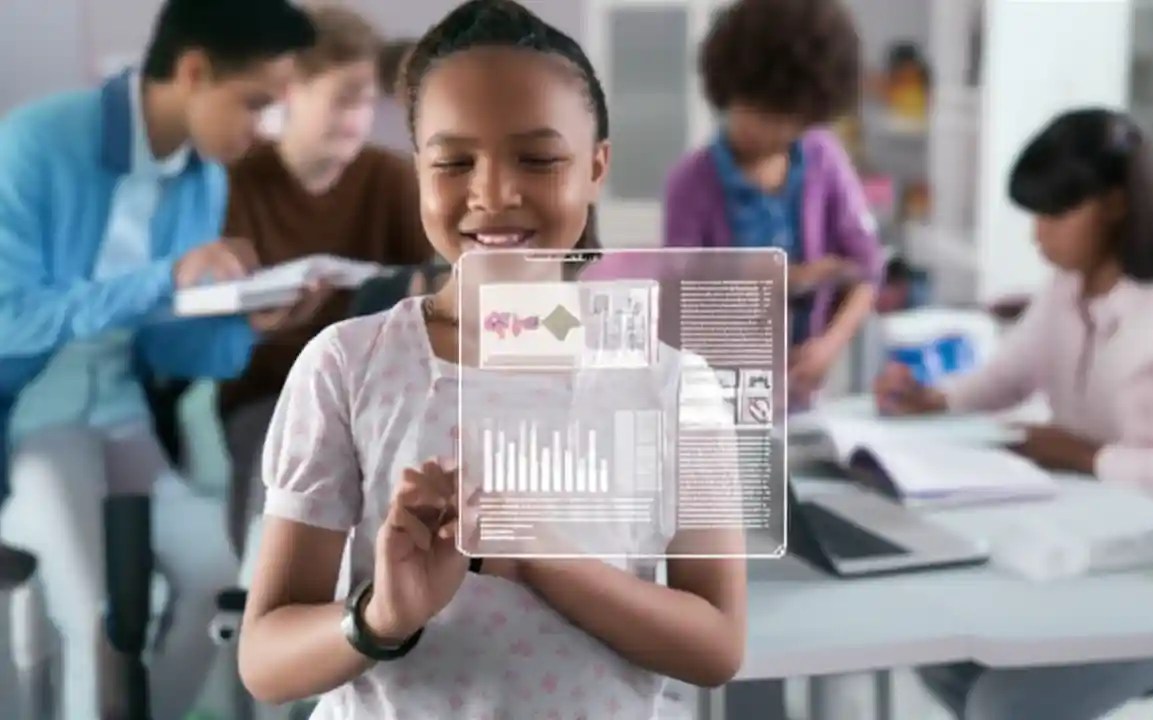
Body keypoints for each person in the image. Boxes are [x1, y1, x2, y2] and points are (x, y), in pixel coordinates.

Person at [237, 2, 747, 717]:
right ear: (419, 171)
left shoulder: (672, 385)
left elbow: (716, 646)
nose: (493, 193)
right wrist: (381, 616)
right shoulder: (347, 368)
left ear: (597, 166)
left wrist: (542, 558)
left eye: (538, 158)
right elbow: (265, 661)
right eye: (453, 162)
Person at [875, 108, 1153, 720]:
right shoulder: (1070, 287)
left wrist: (1086, 456)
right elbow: (1009, 376)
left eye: (1054, 214)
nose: (1038, 234)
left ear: (1114, 204)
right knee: (946, 663)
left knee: (1002, 701)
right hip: (1105, 550)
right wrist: (936, 398)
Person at [0, 1, 322, 718]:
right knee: (97, 616)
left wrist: (253, 320)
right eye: (256, 103)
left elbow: (168, 343)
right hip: (30, 424)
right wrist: (166, 278)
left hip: (119, 419)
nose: (263, 127)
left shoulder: (199, 179)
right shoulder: (36, 144)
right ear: (195, 70)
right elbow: (8, 318)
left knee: (219, 588)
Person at [217, 4, 433, 565]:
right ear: (290, 92)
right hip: (270, 394)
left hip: (379, 393)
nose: (358, 116)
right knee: (287, 470)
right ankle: (264, 612)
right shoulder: (236, 183)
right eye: (344, 97)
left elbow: (433, 287)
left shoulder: (392, 179)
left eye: (366, 100)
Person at [665, 0, 886, 409]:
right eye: (760, 113)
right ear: (729, 89)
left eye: (790, 119)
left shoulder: (825, 160)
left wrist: (828, 347)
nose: (773, 131)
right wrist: (784, 279)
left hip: (803, 401)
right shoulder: (690, 184)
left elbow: (867, 271)